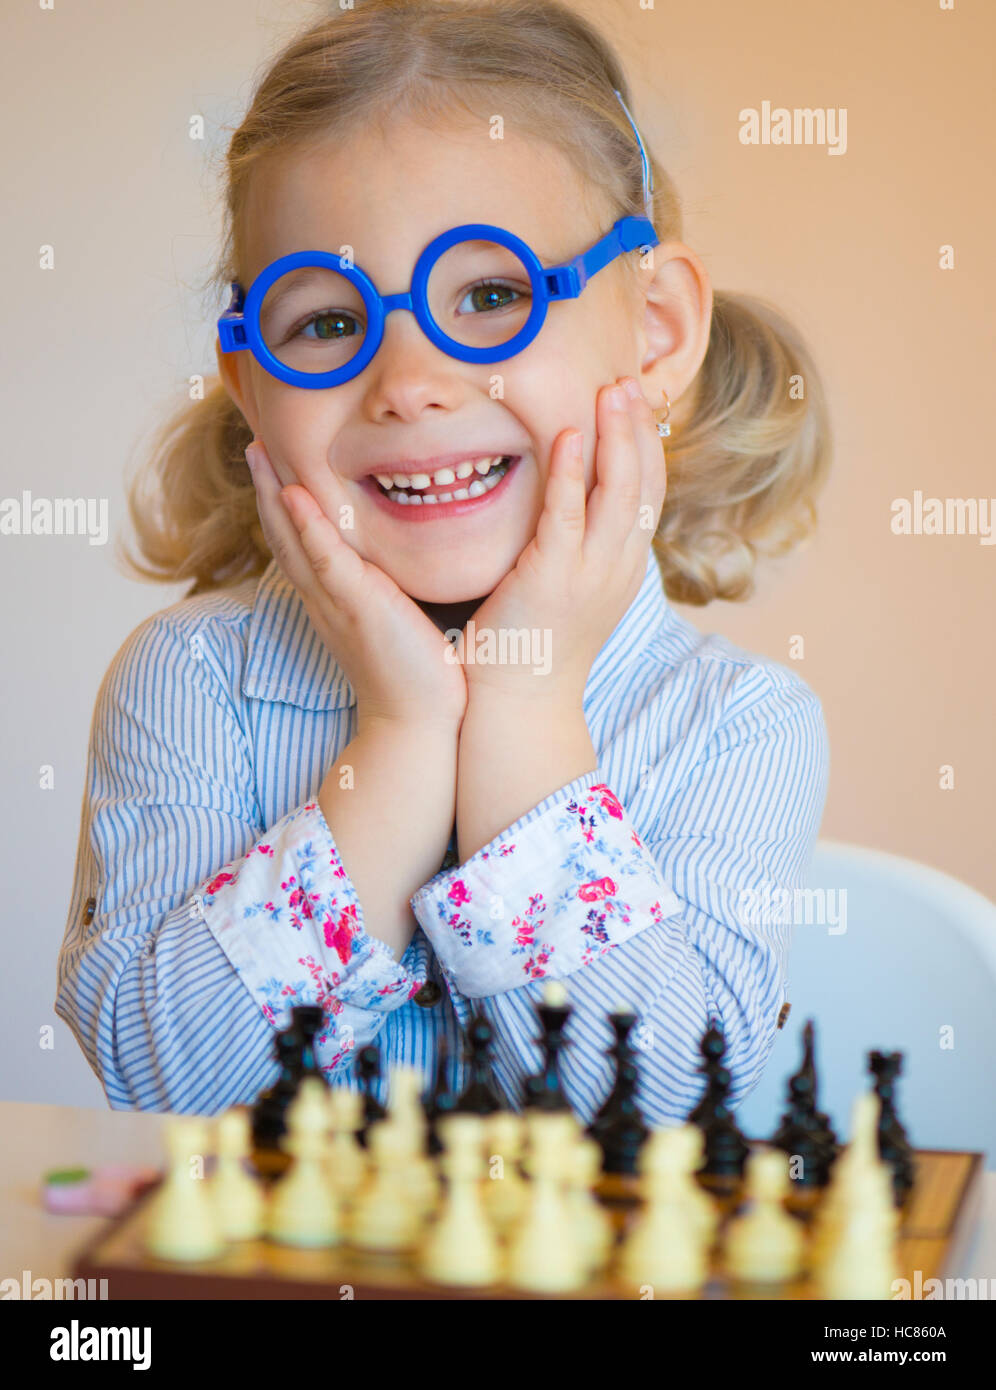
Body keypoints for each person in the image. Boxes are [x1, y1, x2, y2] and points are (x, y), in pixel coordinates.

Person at [56, 0, 831, 1119]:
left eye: (492, 296)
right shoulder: (192, 682)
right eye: (327, 323)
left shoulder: (738, 725)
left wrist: (523, 709)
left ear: (656, 327)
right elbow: (167, 1078)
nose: (410, 382)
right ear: (251, 387)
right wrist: (402, 737)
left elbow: (660, 1106)